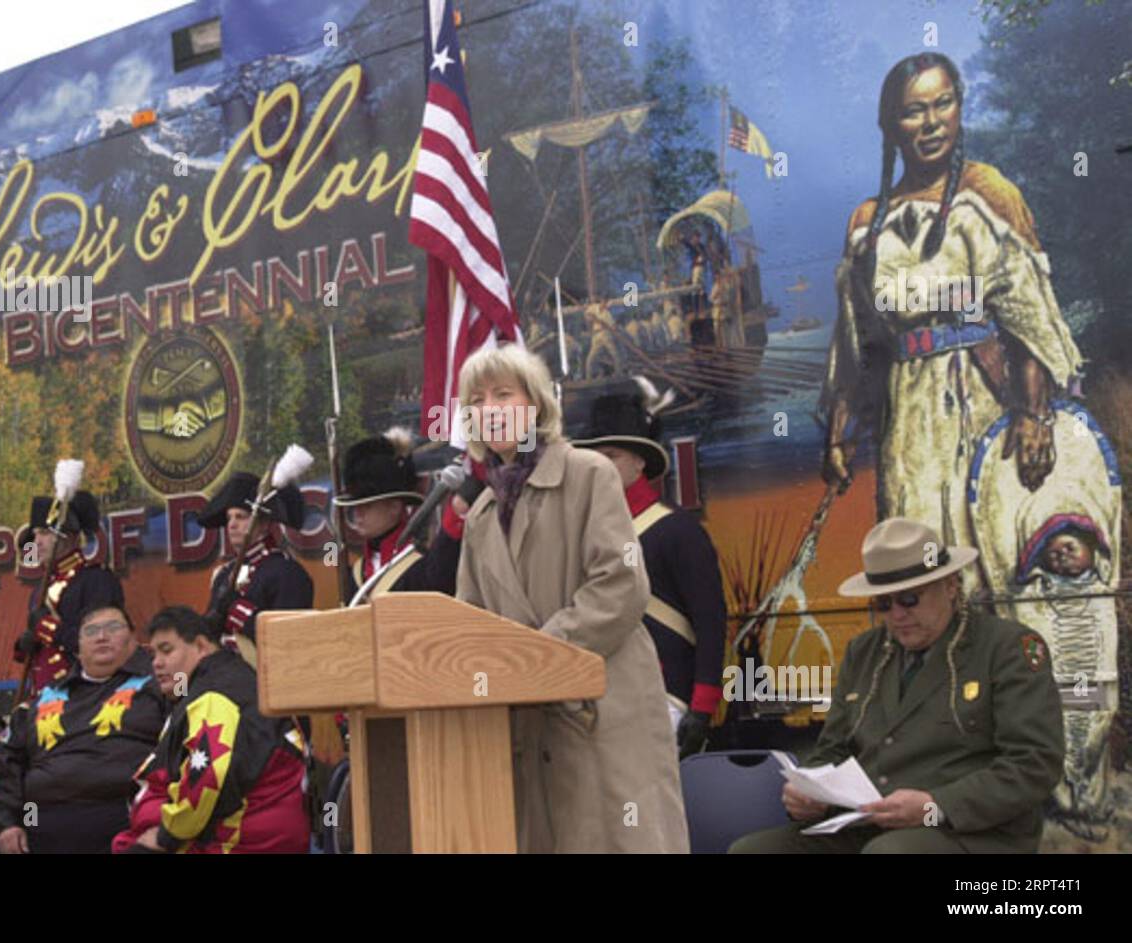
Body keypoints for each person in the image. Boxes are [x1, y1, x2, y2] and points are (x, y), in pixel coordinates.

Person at [819, 51, 1082, 602]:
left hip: (984, 404)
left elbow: (1027, 315)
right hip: (907, 421)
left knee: (995, 552)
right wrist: (841, 429)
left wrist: (1034, 416)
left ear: (959, 109)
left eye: (944, 104)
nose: (932, 122)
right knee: (917, 559)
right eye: (915, 111)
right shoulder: (868, 222)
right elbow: (857, 341)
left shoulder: (989, 194)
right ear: (892, 125)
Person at [454, 343, 687, 853]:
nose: (488, 407)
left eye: (502, 394)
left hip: (603, 713)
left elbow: (621, 584)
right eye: (476, 399)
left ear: (535, 404)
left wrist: (537, 656)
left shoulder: (588, 473)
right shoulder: (480, 518)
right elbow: (469, 625)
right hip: (530, 730)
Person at [729, 517, 1064, 854]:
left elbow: (1034, 762)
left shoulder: (1005, 648)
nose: (896, 615)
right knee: (751, 851)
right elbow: (835, 748)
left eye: (909, 599)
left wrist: (935, 805)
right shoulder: (866, 651)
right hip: (869, 823)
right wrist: (811, 792)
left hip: (967, 828)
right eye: (883, 604)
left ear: (950, 585)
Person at [573, 377, 727, 758]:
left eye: (611, 455)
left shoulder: (677, 530)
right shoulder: (581, 535)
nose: (599, 466)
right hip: (597, 703)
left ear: (640, 462)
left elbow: (711, 622)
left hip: (663, 699)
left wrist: (702, 707)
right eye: (592, 457)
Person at [115, 607, 309, 854]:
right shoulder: (211, 681)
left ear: (201, 647)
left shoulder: (214, 694)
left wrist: (167, 836)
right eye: (152, 654)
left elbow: (209, 775)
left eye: (166, 650)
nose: (156, 663)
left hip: (237, 841)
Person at [0, 603, 167, 853]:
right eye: (91, 631)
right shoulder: (46, 695)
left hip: (121, 815)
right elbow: (8, 757)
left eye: (113, 627)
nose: (102, 636)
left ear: (133, 639)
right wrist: (7, 824)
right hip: (37, 816)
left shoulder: (161, 684)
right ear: (79, 647)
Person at [334, 427, 469, 600]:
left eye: (367, 505)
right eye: (356, 506)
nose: (358, 514)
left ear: (394, 507)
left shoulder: (421, 565)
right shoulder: (357, 571)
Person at [15, 490, 125, 695]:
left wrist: (49, 628)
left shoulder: (96, 581)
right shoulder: (40, 589)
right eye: (36, 534)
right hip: (43, 700)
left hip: (84, 698)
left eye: (45, 533)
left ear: (71, 536)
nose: (37, 541)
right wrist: (27, 643)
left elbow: (105, 644)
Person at [200, 471, 314, 648]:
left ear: (264, 524)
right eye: (229, 517)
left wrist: (238, 610)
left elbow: (286, 639)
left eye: (241, 517)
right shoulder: (223, 575)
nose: (231, 524)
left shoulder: (287, 573)